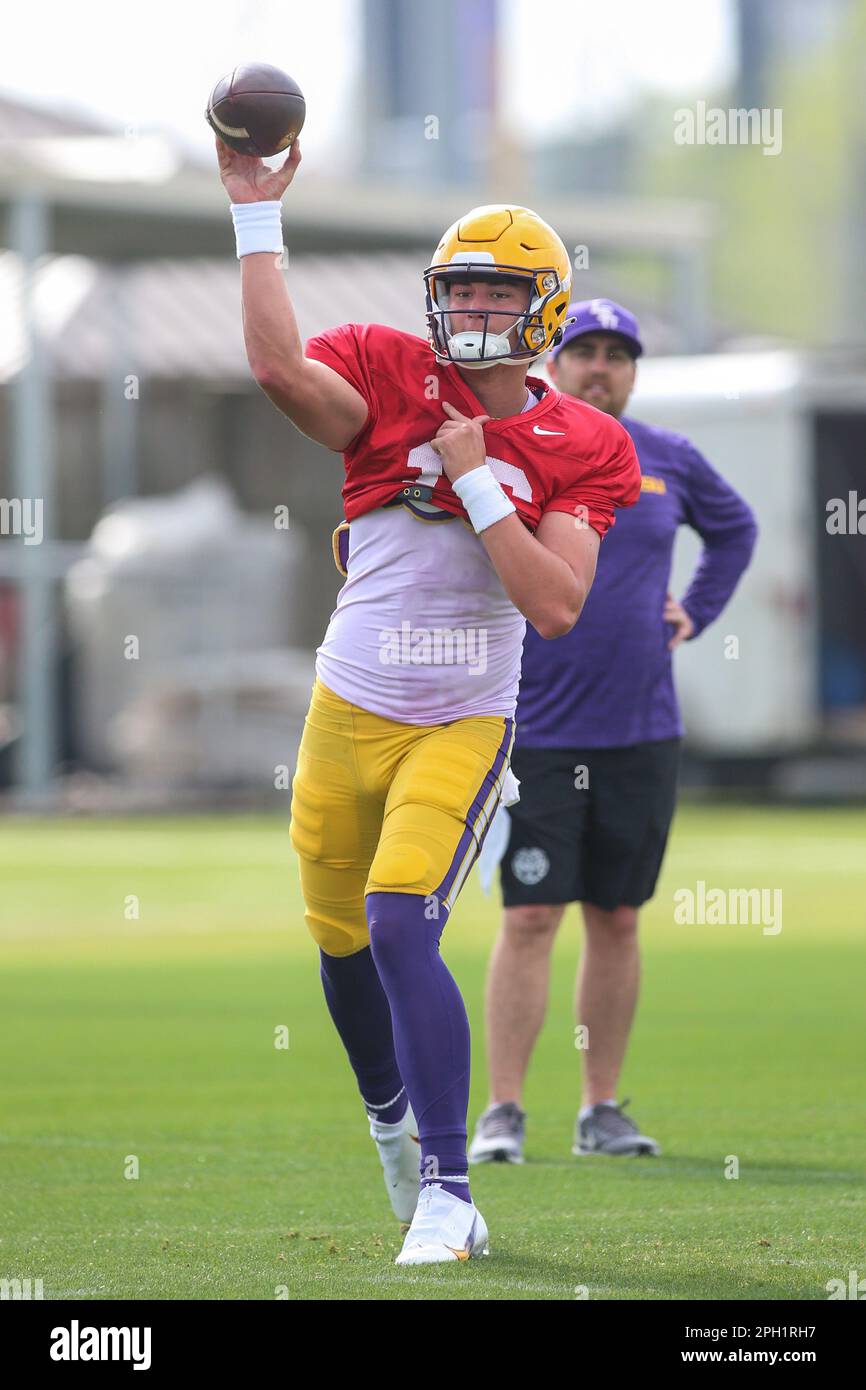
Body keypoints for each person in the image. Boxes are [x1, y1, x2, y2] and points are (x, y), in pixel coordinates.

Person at [215, 138, 641, 1263]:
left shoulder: (583, 442)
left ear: (542, 309)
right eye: (461, 289)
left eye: (501, 291)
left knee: (405, 915)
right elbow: (275, 373)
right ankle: (390, 1124)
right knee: (339, 940)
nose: (477, 309)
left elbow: (552, 607)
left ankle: (451, 1191)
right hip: (345, 703)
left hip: (460, 715)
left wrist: (471, 476)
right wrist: (254, 215)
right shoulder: (385, 367)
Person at [470, 298, 758, 1165]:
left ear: (634, 370)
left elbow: (736, 530)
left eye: (618, 355)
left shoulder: (667, 458)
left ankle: (600, 1111)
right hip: (537, 733)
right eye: (584, 350)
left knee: (618, 918)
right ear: (551, 362)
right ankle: (504, 1114)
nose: (601, 367)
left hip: (640, 731)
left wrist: (695, 612)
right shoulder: (513, 447)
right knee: (528, 920)